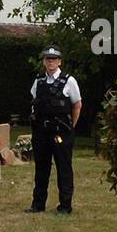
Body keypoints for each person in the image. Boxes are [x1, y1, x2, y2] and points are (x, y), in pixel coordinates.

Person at [26, 46, 81, 214]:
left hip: (61, 132)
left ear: (60, 62)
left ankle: (65, 206)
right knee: (41, 168)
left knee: (63, 168)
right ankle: (38, 204)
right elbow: (34, 101)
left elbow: (77, 105)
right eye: (48, 59)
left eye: (54, 59)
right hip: (41, 132)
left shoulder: (68, 81)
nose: (51, 61)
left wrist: (71, 128)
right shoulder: (39, 81)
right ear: (44, 61)